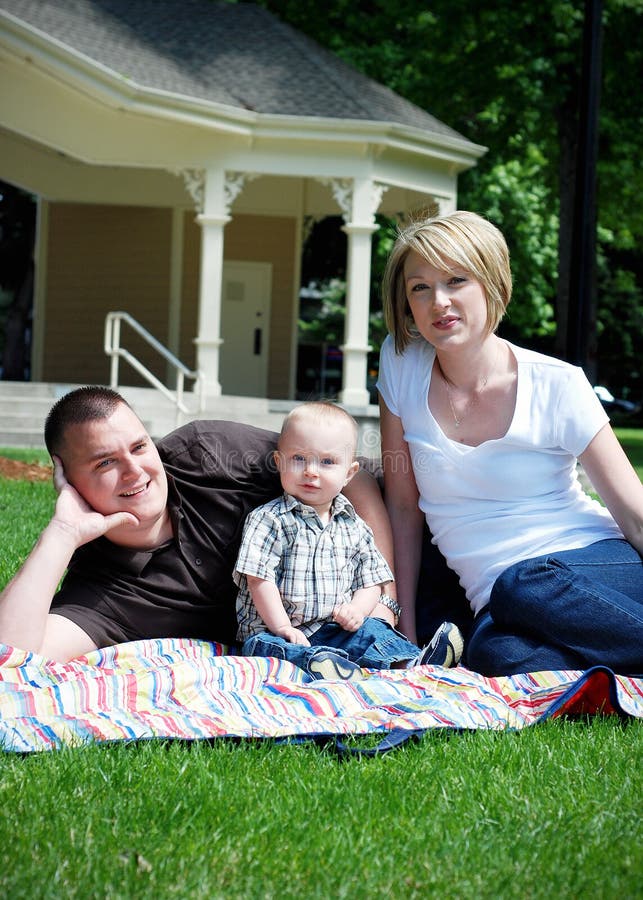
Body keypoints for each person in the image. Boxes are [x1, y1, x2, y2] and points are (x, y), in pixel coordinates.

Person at [377, 209, 643, 676]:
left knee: (523, 582)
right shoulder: (400, 364)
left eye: (456, 280)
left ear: (492, 283)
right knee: (492, 653)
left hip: (593, 567)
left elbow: (634, 517)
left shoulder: (558, 385)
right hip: (500, 600)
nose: (438, 301)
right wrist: (405, 628)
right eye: (420, 287)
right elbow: (403, 506)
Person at [0, 387, 396, 663]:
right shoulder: (100, 591)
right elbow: (10, 655)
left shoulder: (207, 452)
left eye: (140, 447)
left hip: (395, 556)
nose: (135, 471)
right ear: (68, 479)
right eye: (105, 462)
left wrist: (385, 606)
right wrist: (63, 531)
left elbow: (352, 476)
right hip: (315, 641)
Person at [234, 401, 463, 681]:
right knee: (266, 649)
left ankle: (413, 663)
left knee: (372, 631)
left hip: (333, 629)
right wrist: (282, 626)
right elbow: (259, 580)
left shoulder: (354, 526)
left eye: (327, 462)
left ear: (349, 474)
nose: (311, 471)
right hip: (273, 630)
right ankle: (319, 664)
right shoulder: (269, 519)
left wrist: (356, 610)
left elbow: (372, 582)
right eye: (298, 459)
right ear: (279, 462)